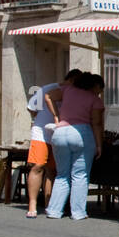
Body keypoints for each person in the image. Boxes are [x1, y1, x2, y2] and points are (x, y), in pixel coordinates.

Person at [45, 71, 104, 221]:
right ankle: (77, 212)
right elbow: (96, 123)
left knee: (62, 174)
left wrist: (57, 116)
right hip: (81, 133)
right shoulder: (94, 100)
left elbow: (48, 96)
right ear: (93, 86)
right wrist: (99, 145)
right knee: (80, 175)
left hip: (60, 132)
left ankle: (54, 210)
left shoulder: (67, 90)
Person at [25, 69, 79, 217]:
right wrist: (44, 119)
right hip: (41, 133)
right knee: (38, 166)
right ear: (71, 80)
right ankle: (32, 204)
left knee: (52, 170)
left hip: (59, 135)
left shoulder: (74, 93)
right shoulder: (48, 88)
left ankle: (50, 204)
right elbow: (31, 108)